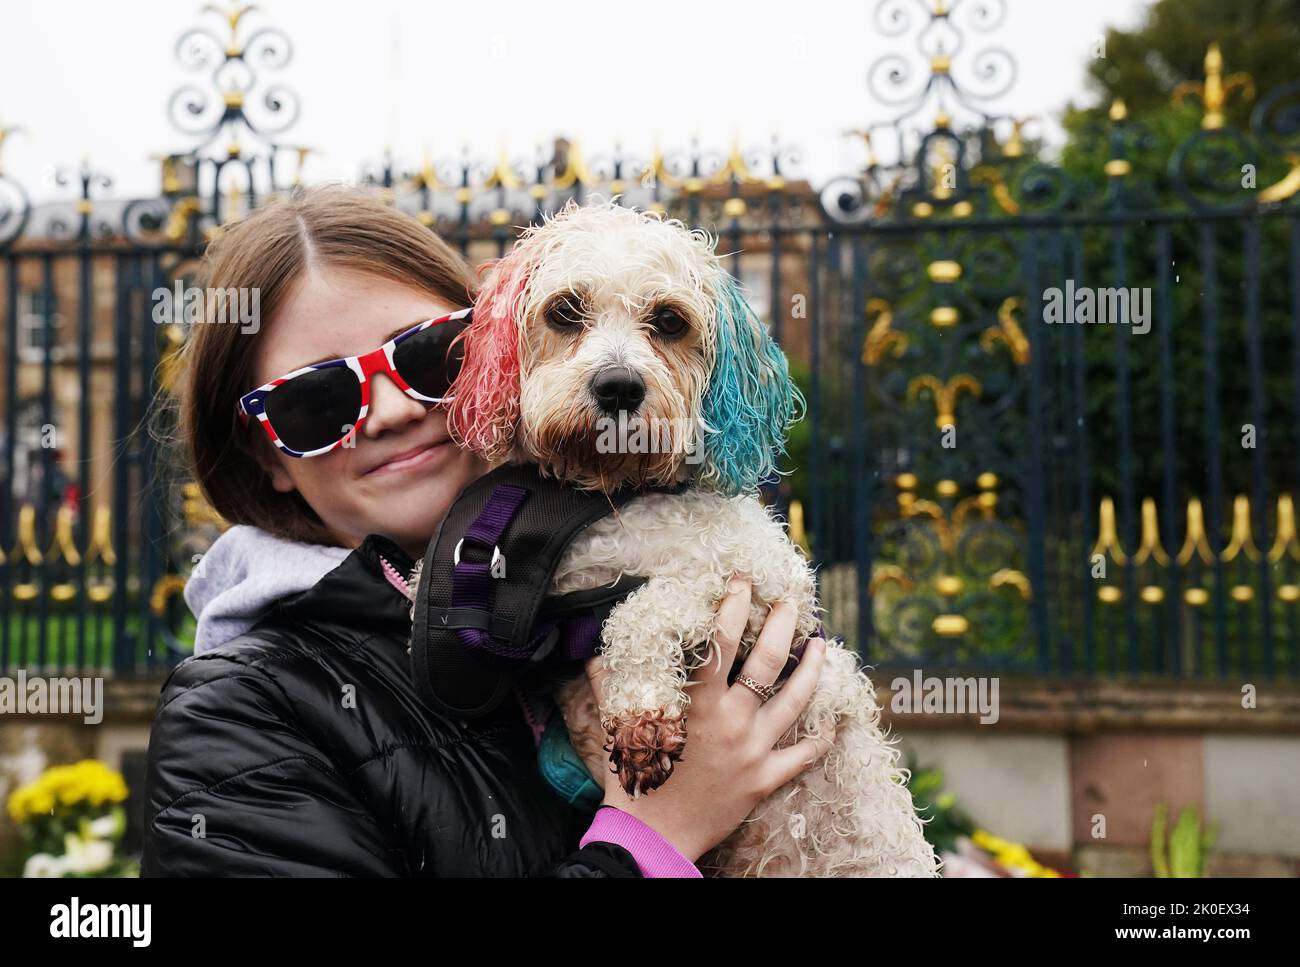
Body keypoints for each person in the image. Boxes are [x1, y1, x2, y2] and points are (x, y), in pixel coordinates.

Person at [140, 185, 832, 877]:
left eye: (423, 357)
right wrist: (651, 842)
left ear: (499, 350)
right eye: (317, 400)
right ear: (270, 459)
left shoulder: (605, 578)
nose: (388, 412)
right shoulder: (234, 716)